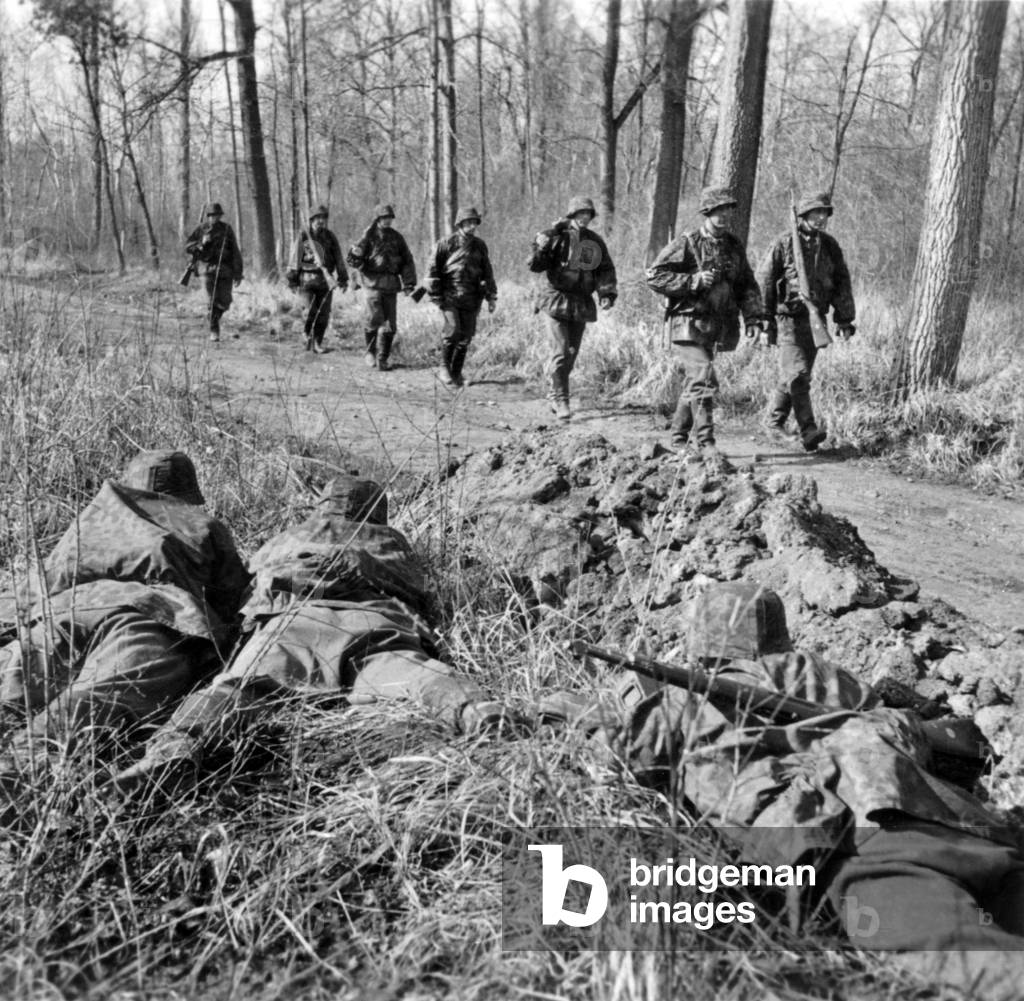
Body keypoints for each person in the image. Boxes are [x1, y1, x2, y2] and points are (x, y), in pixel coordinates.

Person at [549, 582, 1024, 1000]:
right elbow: (926, 739)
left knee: (973, 971)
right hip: (964, 829)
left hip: (867, 850)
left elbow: (608, 758)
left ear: (700, 641)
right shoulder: (825, 676)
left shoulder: (678, 701)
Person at [113, 475, 512, 790]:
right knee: (417, 675)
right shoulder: (393, 541)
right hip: (376, 625)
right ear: (377, 514)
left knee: (237, 690)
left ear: (321, 507)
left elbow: (247, 589)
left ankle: (173, 750)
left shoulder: (287, 539)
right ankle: (475, 711)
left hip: (291, 623)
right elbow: (423, 598)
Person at [0, 450, 250, 793]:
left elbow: (37, 585)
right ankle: (21, 769)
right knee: (96, 697)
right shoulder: (202, 525)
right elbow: (233, 603)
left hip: (65, 612)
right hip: (148, 616)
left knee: (15, 689)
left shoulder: (93, 517)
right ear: (188, 490)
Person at [645, 187, 764, 473]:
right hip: (687, 323)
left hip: (717, 325)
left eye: (727, 210)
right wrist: (693, 281)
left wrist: (754, 318)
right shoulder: (688, 242)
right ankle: (706, 443)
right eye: (717, 210)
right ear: (706, 213)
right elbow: (654, 276)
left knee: (696, 382)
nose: (723, 215)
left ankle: (677, 439)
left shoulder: (734, 246)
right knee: (704, 377)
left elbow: (746, 284)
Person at [758, 190, 856, 452]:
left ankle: (774, 423)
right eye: (815, 213)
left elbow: (841, 283)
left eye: (824, 213)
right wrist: (764, 321)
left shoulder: (830, 246)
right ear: (803, 216)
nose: (821, 218)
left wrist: (844, 320)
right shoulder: (783, 244)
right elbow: (766, 282)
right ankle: (807, 430)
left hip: (815, 320)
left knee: (797, 376)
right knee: (797, 375)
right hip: (787, 319)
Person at [528, 196, 617, 422]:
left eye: (588, 214)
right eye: (580, 214)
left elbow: (604, 269)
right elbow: (536, 265)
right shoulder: (556, 236)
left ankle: (554, 391)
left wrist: (606, 293)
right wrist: (543, 244)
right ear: (572, 215)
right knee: (560, 351)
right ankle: (561, 400)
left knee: (571, 354)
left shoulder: (594, 241)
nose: (585, 217)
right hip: (555, 299)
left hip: (580, 302)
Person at [426, 205, 498, 387]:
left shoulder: (480, 245)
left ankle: (456, 373)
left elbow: (487, 272)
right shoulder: (446, 243)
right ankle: (444, 368)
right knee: (452, 331)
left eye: (474, 223)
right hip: (449, 296)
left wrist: (491, 296)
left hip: (472, 297)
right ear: (460, 223)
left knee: (466, 336)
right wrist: (435, 295)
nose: (472, 226)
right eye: (468, 222)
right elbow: (432, 269)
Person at [346, 204, 417, 371]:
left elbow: (407, 260)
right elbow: (353, 260)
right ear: (377, 219)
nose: (387, 221)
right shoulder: (368, 236)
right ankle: (370, 352)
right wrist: (355, 254)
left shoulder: (397, 238)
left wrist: (409, 284)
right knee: (374, 317)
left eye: (389, 218)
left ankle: (383, 358)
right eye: (384, 218)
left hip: (391, 285)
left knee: (390, 324)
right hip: (371, 283)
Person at [285, 205, 349, 354]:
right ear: (312, 219)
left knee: (323, 314)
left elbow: (339, 258)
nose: (321, 221)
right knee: (310, 311)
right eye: (318, 218)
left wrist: (343, 279)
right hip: (306, 280)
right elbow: (294, 259)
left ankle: (317, 342)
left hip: (325, 281)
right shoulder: (303, 235)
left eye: (323, 218)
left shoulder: (330, 236)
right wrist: (292, 280)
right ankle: (307, 334)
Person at [184, 202, 244, 343]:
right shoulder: (201, 229)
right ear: (208, 216)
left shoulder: (227, 229)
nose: (215, 218)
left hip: (225, 270)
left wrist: (238, 272)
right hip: (206, 269)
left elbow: (235, 251)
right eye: (212, 216)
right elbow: (188, 246)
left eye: (217, 215)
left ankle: (213, 318)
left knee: (225, 301)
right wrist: (201, 243)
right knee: (211, 301)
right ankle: (214, 329)